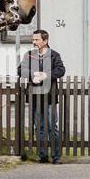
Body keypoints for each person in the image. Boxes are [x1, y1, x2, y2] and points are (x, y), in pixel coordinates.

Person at [19, 29, 65, 163]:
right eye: (33, 40)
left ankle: (56, 156)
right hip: (34, 97)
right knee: (39, 128)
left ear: (45, 41)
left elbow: (61, 70)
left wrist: (46, 75)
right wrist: (32, 75)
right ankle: (42, 155)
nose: (34, 42)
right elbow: (20, 69)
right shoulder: (29, 55)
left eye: (36, 40)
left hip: (49, 97)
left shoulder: (54, 55)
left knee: (52, 127)